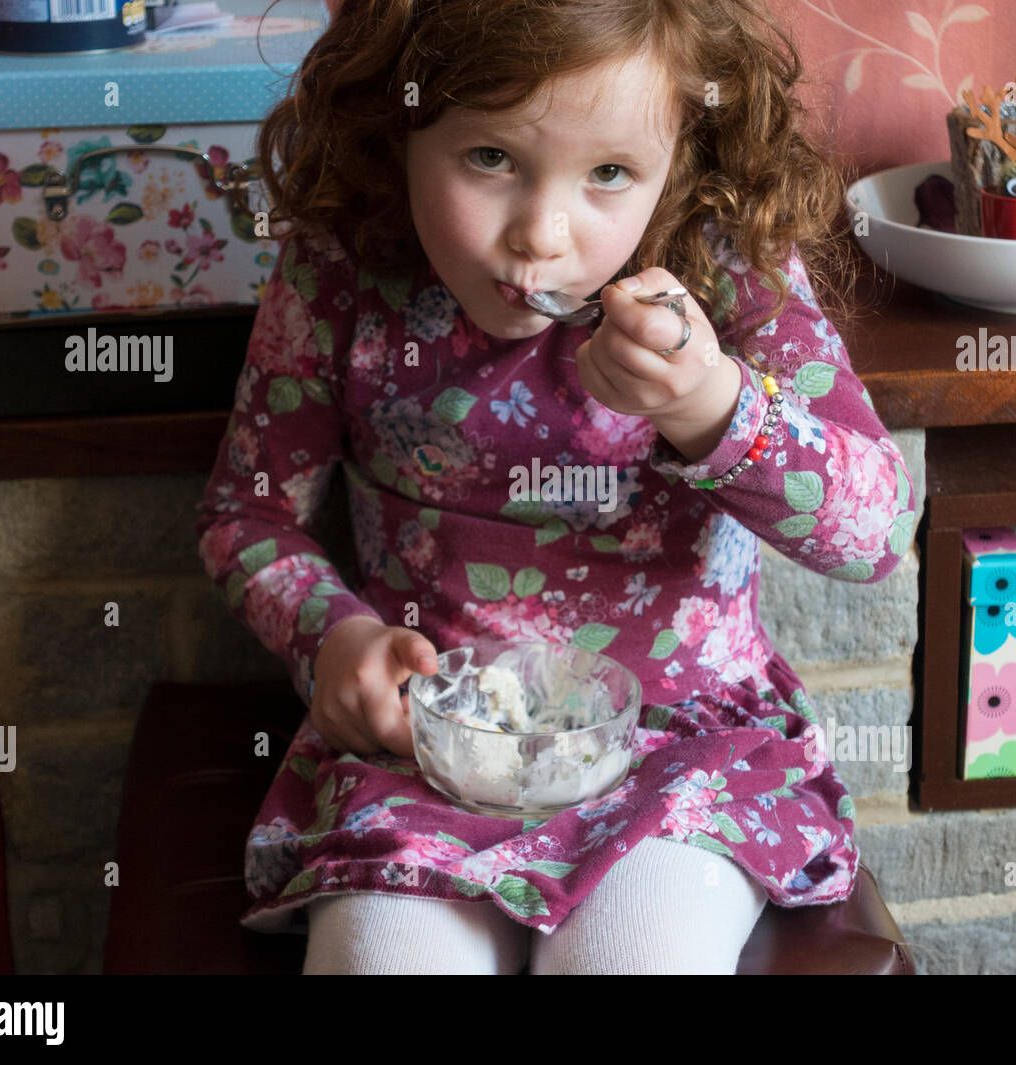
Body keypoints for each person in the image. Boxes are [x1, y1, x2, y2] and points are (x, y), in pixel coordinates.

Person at [195, 0, 917, 974]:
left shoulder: (725, 269)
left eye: (609, 173)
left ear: (682, 159)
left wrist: (712, 404)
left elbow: (872, 534)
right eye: (490, 158)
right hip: (425, 755)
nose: (541, 235)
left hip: (682, 748)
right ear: (395, 123)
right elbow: (247, 515)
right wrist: (334, 637)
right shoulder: (340, 274)